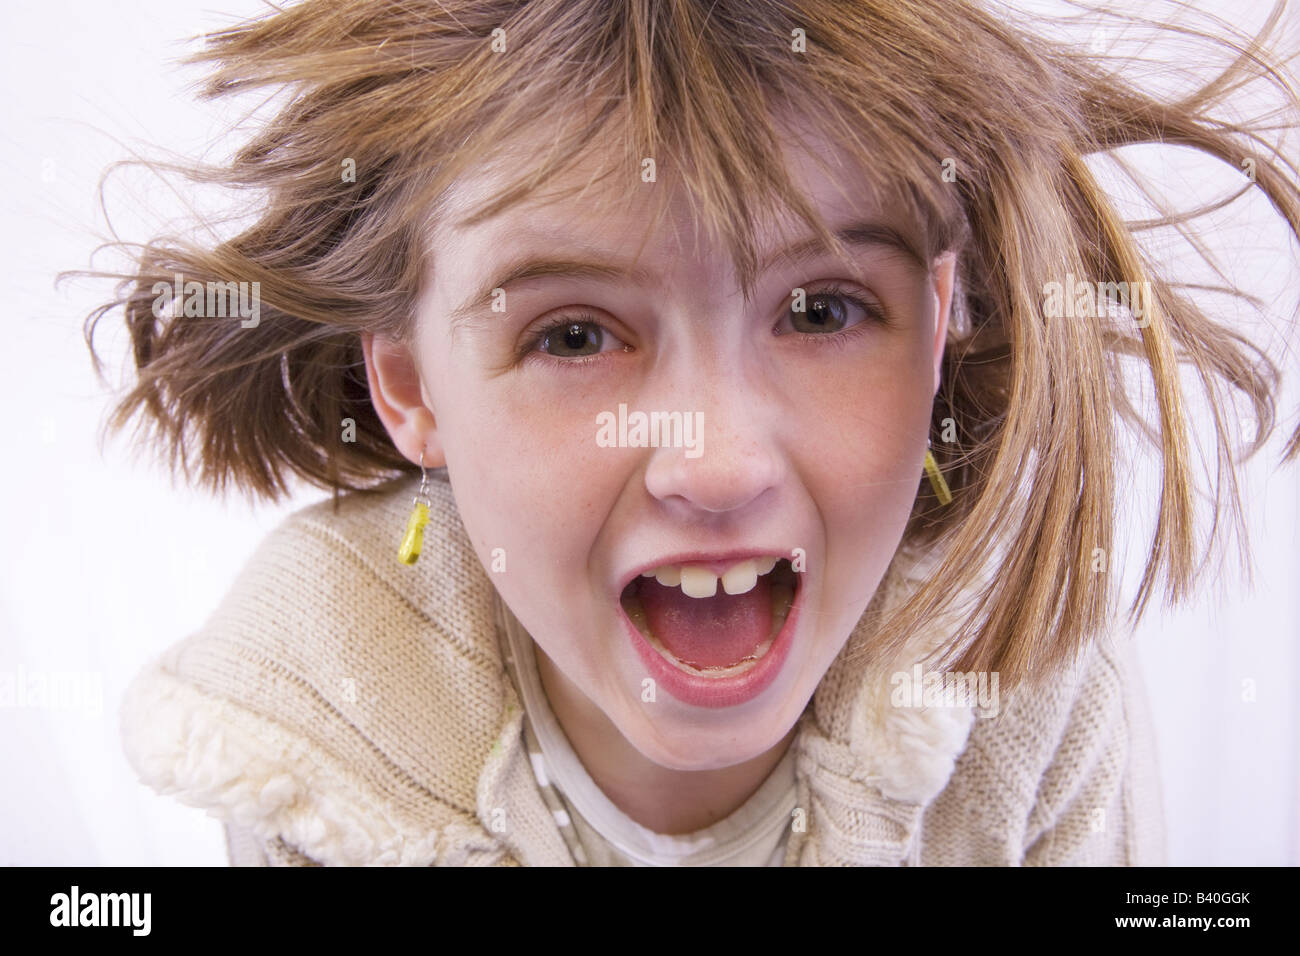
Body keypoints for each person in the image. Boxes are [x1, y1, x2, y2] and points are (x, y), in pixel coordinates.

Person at [85, 0, 1300, 865]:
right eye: (571, 336)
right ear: (411, 387)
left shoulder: (1011, 674)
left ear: (936, 327)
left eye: (821, 310)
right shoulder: (313, 709)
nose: (716, 463)